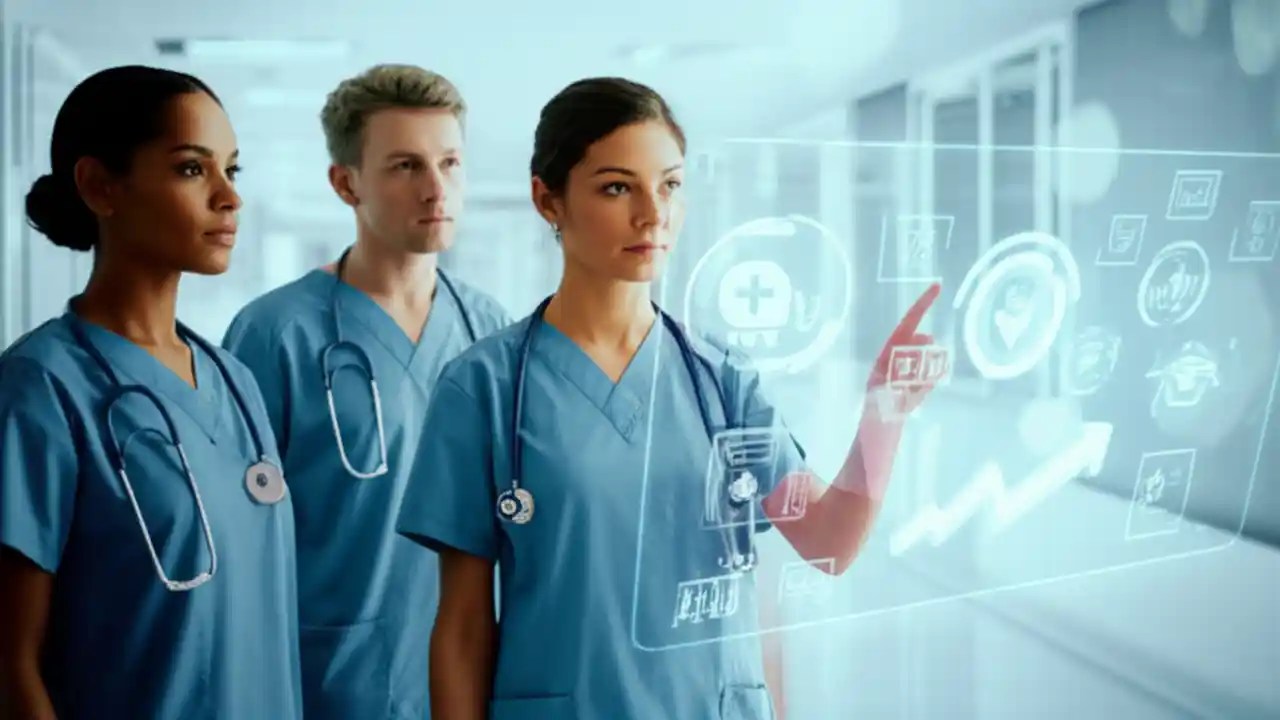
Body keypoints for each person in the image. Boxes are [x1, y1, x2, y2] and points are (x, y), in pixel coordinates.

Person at [396, 77, 942, 719]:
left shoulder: (722, 379)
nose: (653, 213)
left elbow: (831, 541)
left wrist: (886, 410)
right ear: (548, 200)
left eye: (671, 185)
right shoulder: (484, 387)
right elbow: (461, 630)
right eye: (617, 187)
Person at [0, 66, 301, 719]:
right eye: (193, 169)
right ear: (100, 186)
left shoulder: (234, 380)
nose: (229, 198)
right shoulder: (41, 388)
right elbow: (11, 667)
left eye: (232, 170)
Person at [221, 64, 510, 720]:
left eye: (450, 162)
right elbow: (238, 549)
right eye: (406, 166)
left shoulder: (491, 331)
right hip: (324, 683)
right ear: (345, 182)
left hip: (465, 684)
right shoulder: (275, 335)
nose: (437, 188)